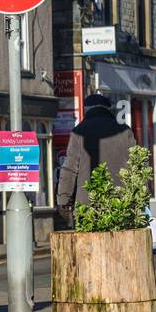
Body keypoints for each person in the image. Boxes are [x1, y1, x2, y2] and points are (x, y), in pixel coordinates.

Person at [56, 92, 137, 224]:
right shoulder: (125, 131)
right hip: (121, 206)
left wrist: (63, 201)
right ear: (108, 110)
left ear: (86, 110)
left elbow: (69, 170)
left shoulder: (79, 132)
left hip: (87, 208)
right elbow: (137, 166)